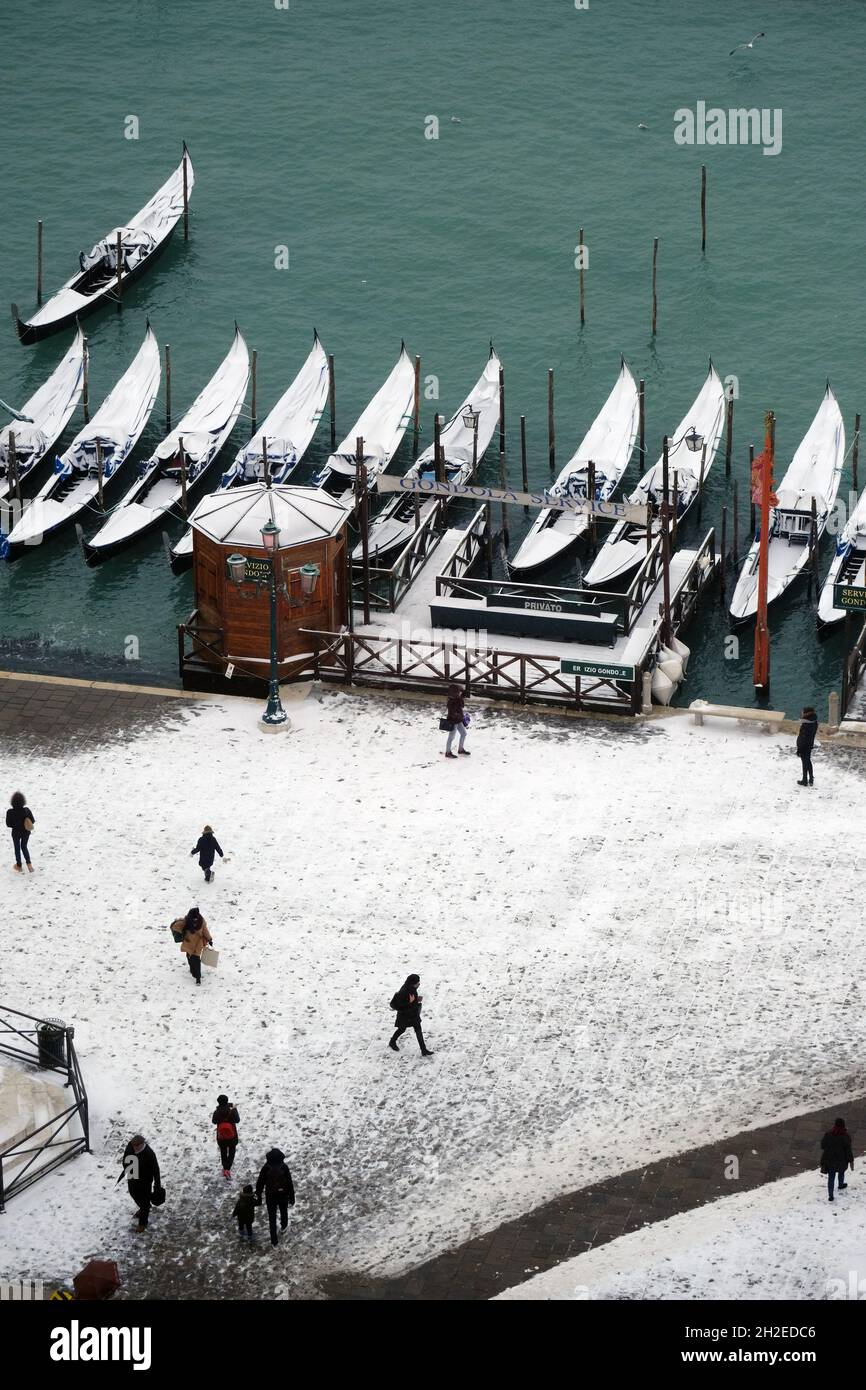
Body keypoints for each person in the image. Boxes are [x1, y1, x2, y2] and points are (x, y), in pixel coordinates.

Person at [255, 1148, 295, 1248]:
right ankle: (284, 1226)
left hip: (270, 1196)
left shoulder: (266, 1167)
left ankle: (274, 1241)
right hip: (283, 1195)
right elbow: (289, 1183)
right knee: (283, 1211)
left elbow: (260, 1182)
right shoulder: (284, 1167)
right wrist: (292, 1197)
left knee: (272, 1218)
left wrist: (259, 1195)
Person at [120, 1135, 161, 1233]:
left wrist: (157, 1185)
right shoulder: (130, 1146)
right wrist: (129, 1169)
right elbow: (125, 1159)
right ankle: (144, 1207)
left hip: (145, 1181)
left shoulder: (149, 1154)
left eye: (137, 1145)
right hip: (133, 1176)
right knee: (133, 1194)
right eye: (134, 1145)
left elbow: (156, 1170)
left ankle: (142, 1223)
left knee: (144, 1201)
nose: (135, 1147)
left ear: (142, 1144)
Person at [389, 973, 433, 1056]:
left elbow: (411, 999)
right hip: (405, 1016)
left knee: (418, 1030)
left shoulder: (411, 988)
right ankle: (392, 1042)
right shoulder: (403, 991)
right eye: (417, 983)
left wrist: (416, 1000)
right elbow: (396, 1005)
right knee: (402, 1029)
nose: (418, 984)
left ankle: (423, 1050)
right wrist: (411, 1002)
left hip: (413, 1014)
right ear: (413, 983)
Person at [170, 906, 212, 985]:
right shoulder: (186, 922)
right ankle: (193, 970)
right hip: (189, 943)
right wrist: (176, 922)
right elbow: (175, 926)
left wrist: (209, 939)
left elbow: (205, 931)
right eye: (194, 918)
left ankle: (198, 978)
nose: (195, 920)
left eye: (196, 918)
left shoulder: (201, 921)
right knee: (190, 958)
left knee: (196, 960)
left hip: (197, 944)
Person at [821, 1117, 854, 1202]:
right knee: (841, 1173)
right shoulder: (846, 1136)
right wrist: (851, 1161)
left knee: (831, 1178)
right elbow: (848, 1151)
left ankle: (831, 1196)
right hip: (842, 1161)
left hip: (830, 1160)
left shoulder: (828, 1134)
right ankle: (840, 1185)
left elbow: (822, 1145)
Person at [212, 1094, 240, 1178]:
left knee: (223, 1152)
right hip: (232, 1136)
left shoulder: (216, 1112)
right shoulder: (232, 1111)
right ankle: (228, 1169)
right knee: (232, 1152)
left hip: (221, 1136)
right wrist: (235, 1109)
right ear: (227, 1101)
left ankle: (225, 1168)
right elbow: (237, 1120)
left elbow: (214, 1121)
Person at [7, 791, 34, 873]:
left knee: (17, 848)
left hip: (15, 833)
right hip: (26, 832)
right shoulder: (27, 810)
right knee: (24, 847)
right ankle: (29, 864)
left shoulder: (10, 812)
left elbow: (8, 824)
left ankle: (19, 865)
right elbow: (32, 821)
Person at [443, 682, 470, 759]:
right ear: (455, 692)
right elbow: (452, 713)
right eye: (459, 691)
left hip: (459, 720)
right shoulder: (451, 701)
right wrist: (458, 716)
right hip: (453, 721)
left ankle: (460, 749)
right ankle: (448, 752)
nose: (460, 692)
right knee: (451, 737)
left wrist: (461, 695)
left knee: (464, 734)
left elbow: (462, 705)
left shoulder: (457, 698)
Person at [796, 706, 818, 786]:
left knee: (804, 763)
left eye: (803, 712)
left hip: (804, 746)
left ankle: (805, 780)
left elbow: (803, 738)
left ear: (807, 713)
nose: (801, 713)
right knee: (808, 761)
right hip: (809, 745)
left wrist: (799, 749)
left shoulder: (806, 725)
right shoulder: (814, 722)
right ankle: (811, 779)